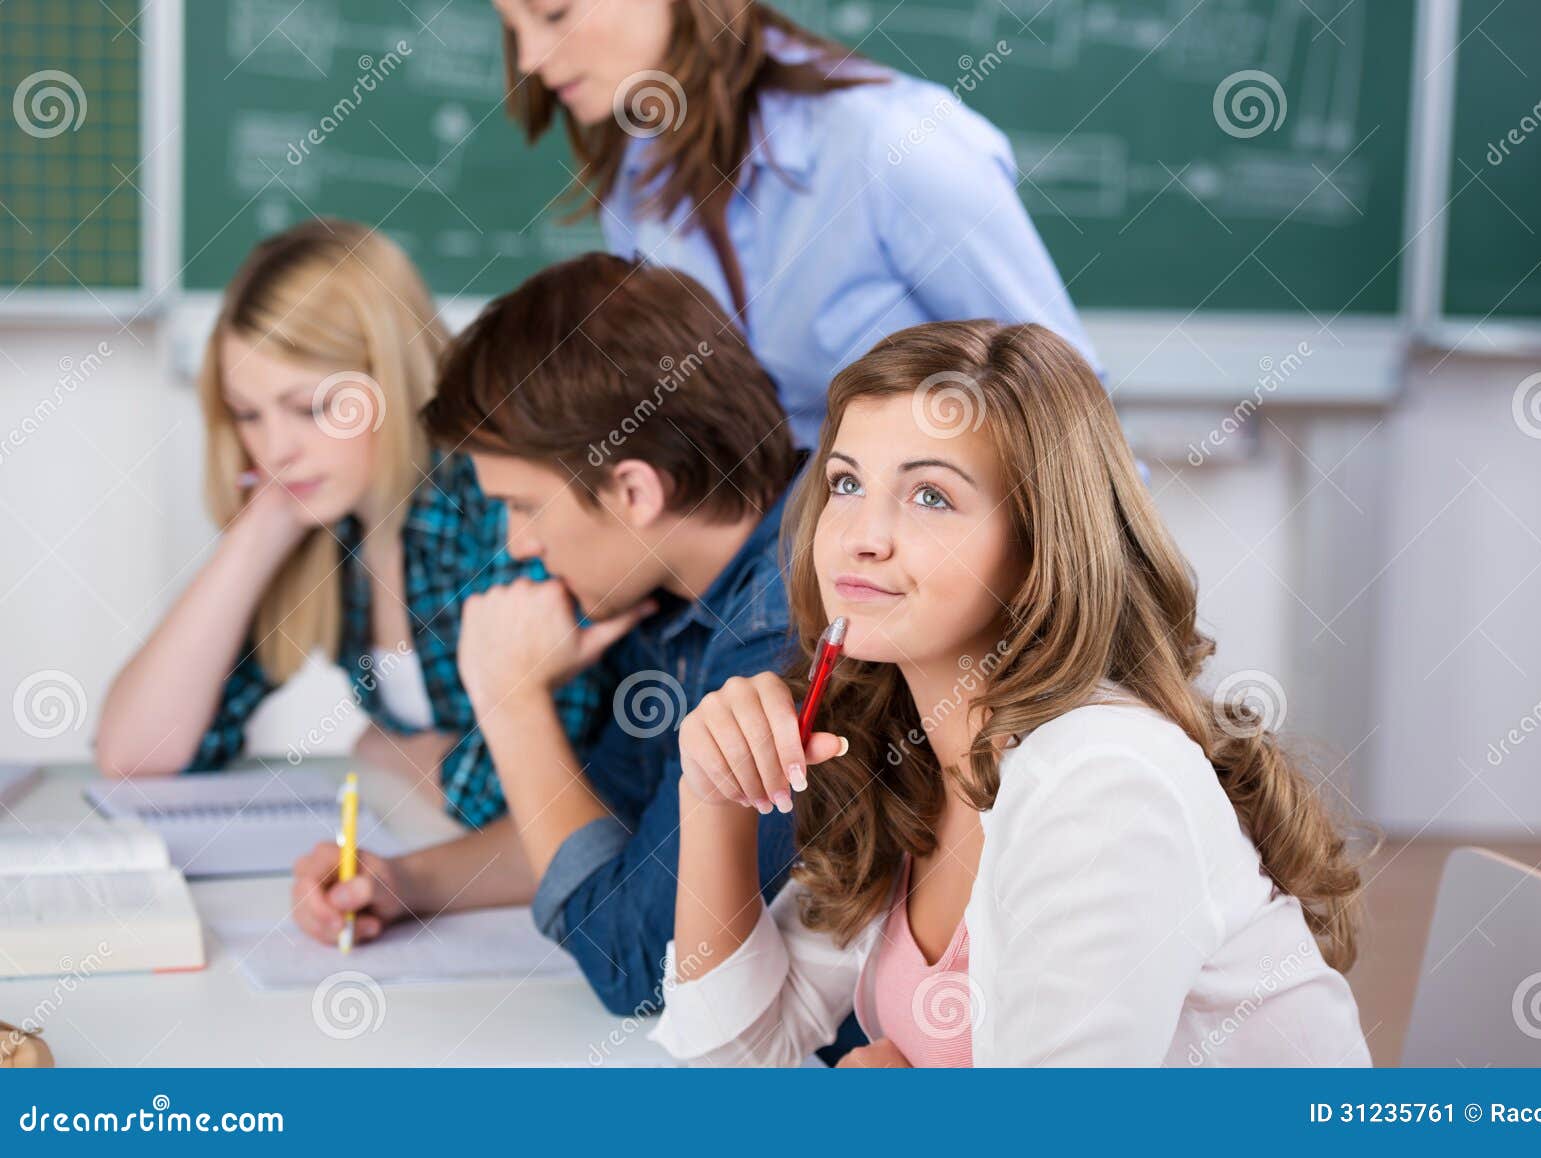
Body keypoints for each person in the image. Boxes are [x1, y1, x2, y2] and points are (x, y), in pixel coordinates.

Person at [654, 320, 1371, 1066]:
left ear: (1037, 547)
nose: (860, 536)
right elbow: (733, 1060)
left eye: (930, 495)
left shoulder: (1103, 778)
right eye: (846, 482)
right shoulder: (904, 751)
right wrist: (713, 800)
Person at [289, 253, 816, 1024]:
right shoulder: (673, 593)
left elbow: (641, 967)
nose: (517, 544)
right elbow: (619, 829)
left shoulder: (788, 629)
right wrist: (413, 884)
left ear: (634, 489)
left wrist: (510, 697)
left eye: (525, 505)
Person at [94, 220, 602, 827]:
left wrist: (381, 751)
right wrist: (259, 532)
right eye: (246, 414)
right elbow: (136, 756)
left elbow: (525, 793)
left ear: (387, 378)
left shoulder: (498, 502)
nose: (274, 447)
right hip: (434, 873)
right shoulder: (326, 520)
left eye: (310, 408)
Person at [492, 0, 1100, 446]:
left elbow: (1068, 406)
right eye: (511, 26)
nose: (529, 59)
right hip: (786, 572)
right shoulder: (636, 184)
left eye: (551, 13)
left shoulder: (895, 143)